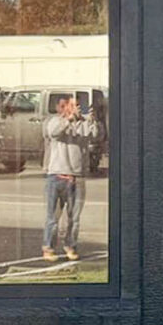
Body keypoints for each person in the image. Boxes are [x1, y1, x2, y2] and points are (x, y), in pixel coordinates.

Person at [41, 95, 99, 263]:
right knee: (53, 217)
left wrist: (93, 120)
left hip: (77, 177)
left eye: (79, 106)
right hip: (57, 176)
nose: (77, 109)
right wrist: (69, 119)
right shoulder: (55, 121)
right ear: (64, 107)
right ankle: (48, 247)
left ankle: (70, 245)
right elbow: (53, 133)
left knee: (74, 218)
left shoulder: (84, 124)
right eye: (73, 105)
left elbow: (96, 135)